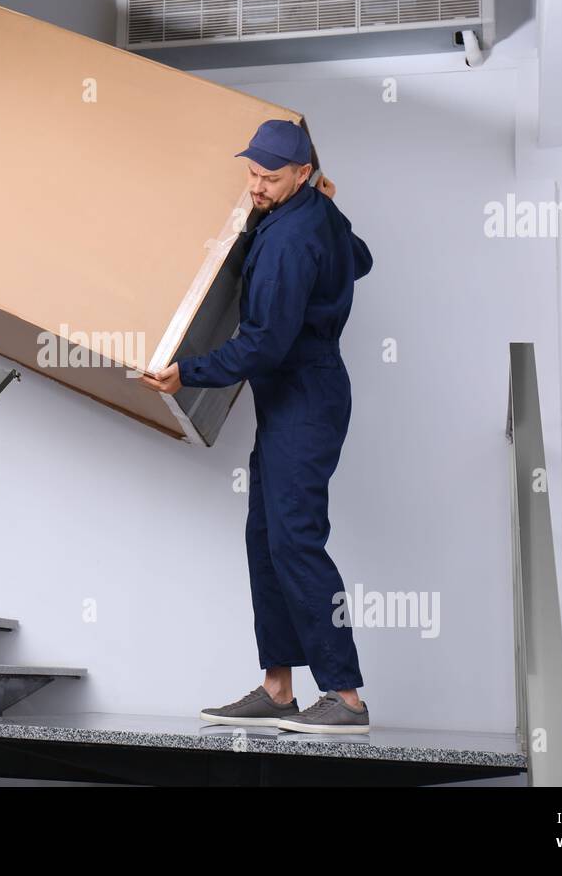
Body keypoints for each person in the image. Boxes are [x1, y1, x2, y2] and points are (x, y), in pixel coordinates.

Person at [141, 119, 374, 734]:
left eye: (269, 177)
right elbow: (363, 260)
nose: (256, 186)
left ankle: (346, 698)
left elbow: (264, 345)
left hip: (305, 394)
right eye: (251, 173)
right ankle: (277, 690)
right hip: (292, 398)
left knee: (295, 539)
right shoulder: (315, 213)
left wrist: (187, 372)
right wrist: (332, 204)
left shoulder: (290, 241)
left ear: (300, 173)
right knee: (265, 537)